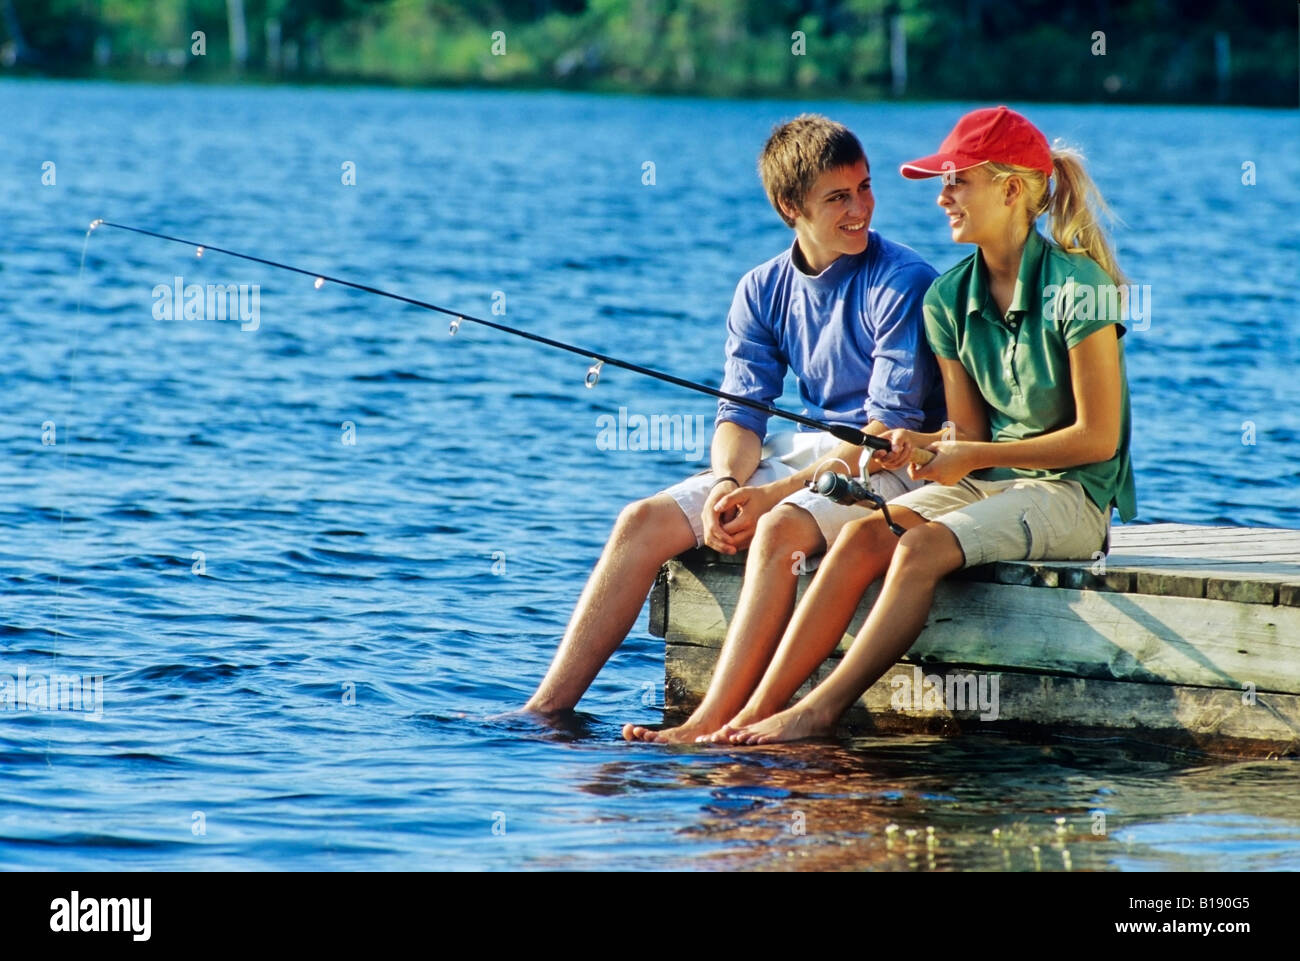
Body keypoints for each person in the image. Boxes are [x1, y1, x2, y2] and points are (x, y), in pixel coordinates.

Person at [707, 105, 1137, 744]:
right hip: (991, 485)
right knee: (857, 540)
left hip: (1070, 495)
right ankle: (749, 714)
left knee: (917, 547)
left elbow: (1099, 439)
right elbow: (964, 435)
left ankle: (818, 711)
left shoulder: (1081, 288)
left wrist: (964, 457)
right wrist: (925, 445)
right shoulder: (948, 299)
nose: (941, 198)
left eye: (956, 181)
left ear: (1011, 189)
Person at [522, 115, 945, 731]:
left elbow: (885, 432)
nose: (861, 209)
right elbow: (741, 414)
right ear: (788, 206)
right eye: (838, 197)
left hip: (891, 462)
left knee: (775, 524)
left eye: (865, 188)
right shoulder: (761, 289)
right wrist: (725, 485)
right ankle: (545, 711)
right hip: (811, 452)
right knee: (639, 522)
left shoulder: (901, 281)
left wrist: (771, 493)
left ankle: (710, 725)